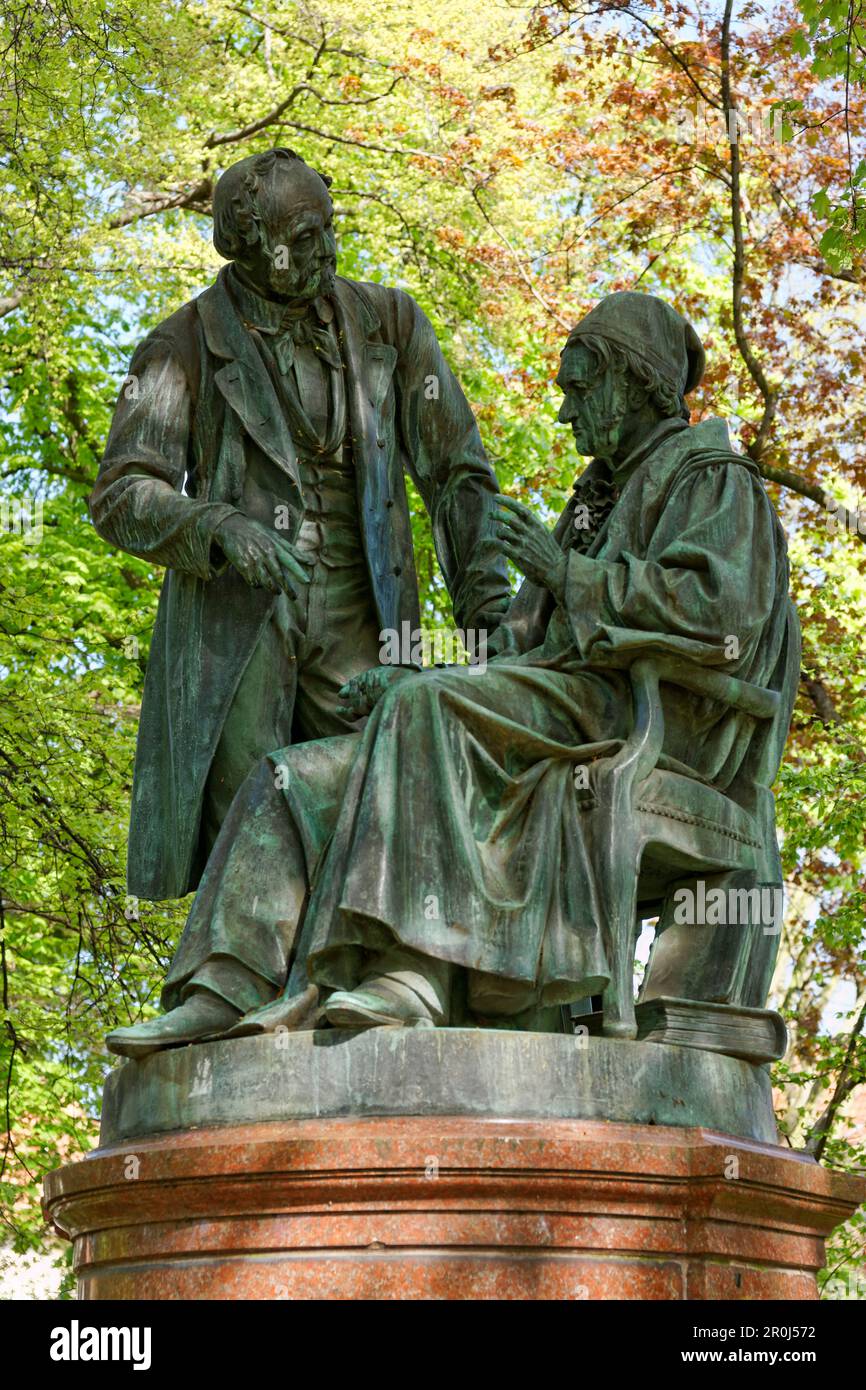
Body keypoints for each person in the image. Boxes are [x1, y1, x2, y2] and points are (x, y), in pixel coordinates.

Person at [106, 291, 790, 1057]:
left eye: (576, 389)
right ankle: (223, 986)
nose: (565, 415)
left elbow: (720, 613)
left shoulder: (711, 477)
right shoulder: (597, 496)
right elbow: (517, 642)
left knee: (429, 709)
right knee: (295, 775)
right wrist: (409, 671)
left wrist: (568, 576)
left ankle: (415, 975)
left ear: (632, 382)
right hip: (553, 705)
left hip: (645, 716)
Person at [90, 147, 510, 903]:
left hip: (367, 616)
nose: (328, 251)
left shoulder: (391, 322)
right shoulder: (179, 347)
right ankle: (240, 1002)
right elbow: (122, 493)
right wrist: (216, 526)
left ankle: (358, 997)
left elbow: (458, 476)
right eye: (304, 239)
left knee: (374, 813)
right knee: (253, 824)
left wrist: (491, 621)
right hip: (240, 624)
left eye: (330, 229)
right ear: (247, 244)